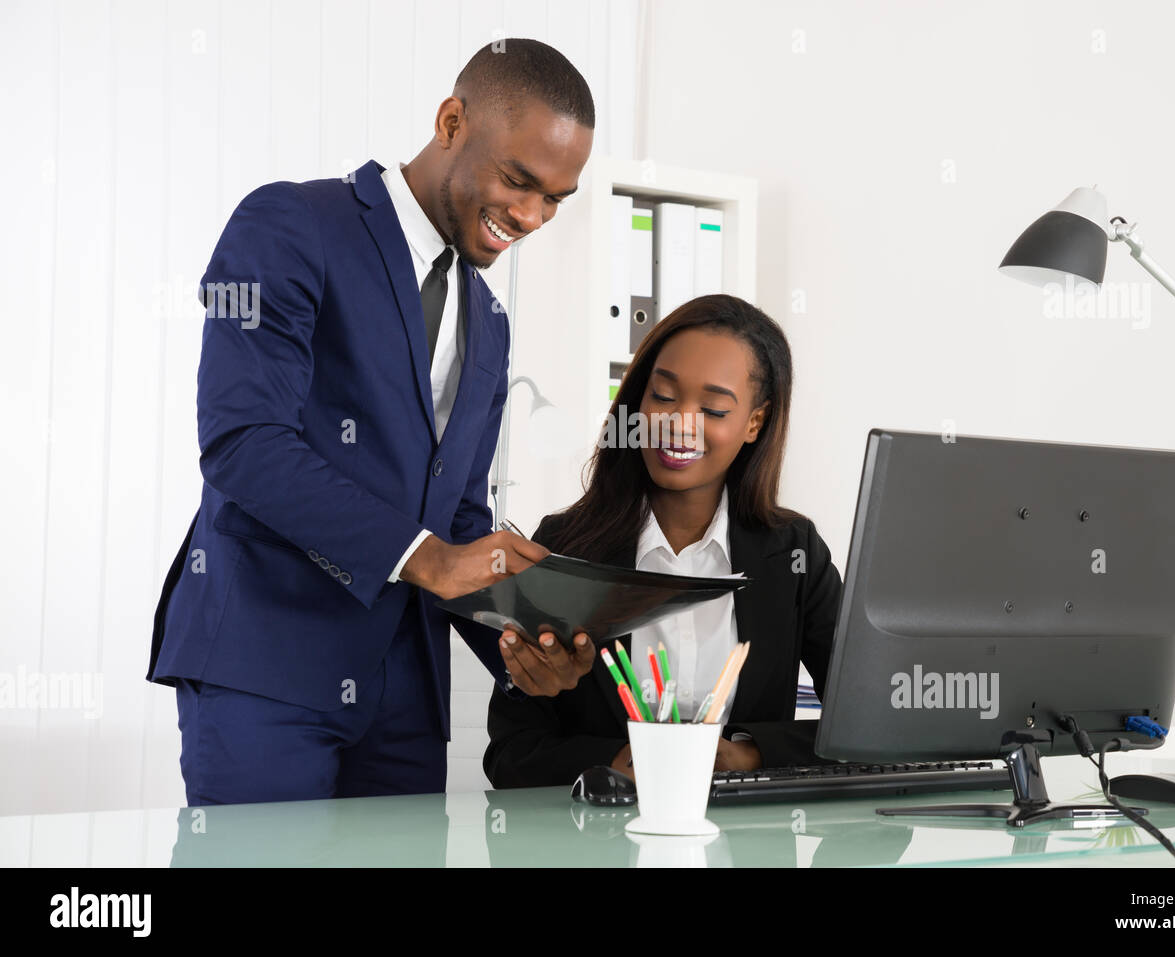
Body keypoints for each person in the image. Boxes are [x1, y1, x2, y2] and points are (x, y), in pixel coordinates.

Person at [148, 39, 597, 806]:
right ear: (452, 120)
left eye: (556, 197)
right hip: (266, 665)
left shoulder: (488, 320)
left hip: (403, 702)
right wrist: (428, 558)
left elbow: (456, 518)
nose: (531, 216)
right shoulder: (289, 223)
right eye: (519, 180)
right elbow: (243, 443)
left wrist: (521, 644)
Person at [483, 295, 844, 788]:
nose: (679, 424)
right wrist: (612, 762)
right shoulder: (564, 545)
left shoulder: (794, 555)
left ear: (754, 424)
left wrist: (753, 756)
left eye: (714, 408)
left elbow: (870, 732)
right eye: (664, 396)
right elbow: (510, 753)